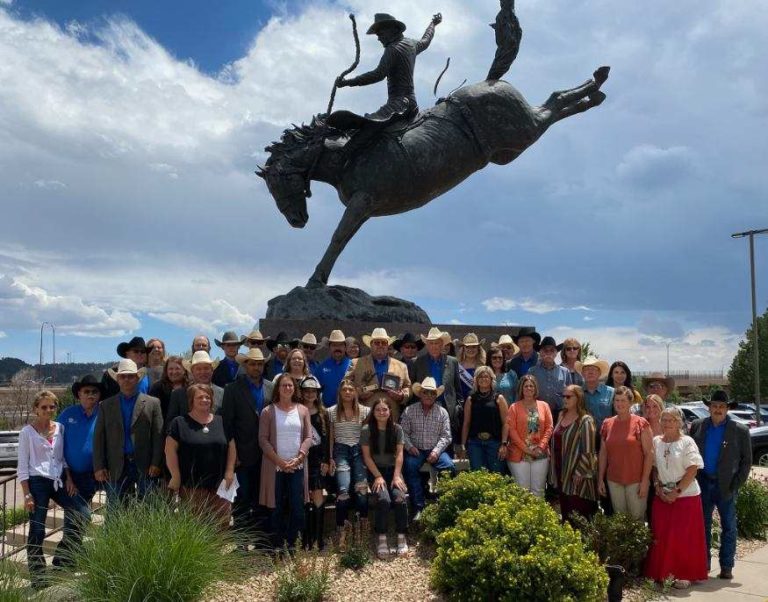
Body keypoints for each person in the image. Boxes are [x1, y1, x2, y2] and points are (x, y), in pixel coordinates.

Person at [334, 12, 442, 161]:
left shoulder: (392, 49)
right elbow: (426, 40)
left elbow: (378, 74)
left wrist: (348, 82)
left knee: (369, 124)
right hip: (410, 103)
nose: (378, 37)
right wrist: (433, 24)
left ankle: (341, 158)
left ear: (393, 30)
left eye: (380, 33)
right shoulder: (411, 44)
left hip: (399, 105)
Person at [690, 390, 752, 580]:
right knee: (703, 526)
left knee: (729, 526)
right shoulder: (697, 426)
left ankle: (726, 566)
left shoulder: (740, 430)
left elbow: (746, 461)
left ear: (727, 409)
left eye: (721, 406)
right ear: (709, 408)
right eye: (714, 406)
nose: (717, 409)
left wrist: (735, 484)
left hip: (726, 486)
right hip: (703, 483)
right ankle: (704, 564)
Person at [644, 407, 708, 589]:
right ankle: (661, 573)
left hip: (685, 496)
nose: (667, 423)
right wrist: (657, 486)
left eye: (672, 420)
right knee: (662, 535)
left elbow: (693, 468)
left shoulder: (687, 442)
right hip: (662, 496)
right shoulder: (656, 441)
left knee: (682, 537)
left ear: (679, 422)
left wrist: (676, 492)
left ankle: (683, 574)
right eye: (664, 419)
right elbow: (655, 467)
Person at [18, 391, 76, 581]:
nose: (48, 410)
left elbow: (63, 457)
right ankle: (38, 576)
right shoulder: (27, 432)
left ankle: (62, 558)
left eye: (52, 406)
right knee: (37, 529)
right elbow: (22, 466)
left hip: (58, 479)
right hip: (38, 482)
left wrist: (68, 478)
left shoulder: (60, 428)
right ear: (36, 409)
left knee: (78, 511)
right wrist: (27, 494)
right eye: (44, 407)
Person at [93, 359, 164, 505]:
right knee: (115, 510)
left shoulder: (153, 403)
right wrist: (99, 466)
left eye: (130, 376)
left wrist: (156, 462)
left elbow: (158, 435)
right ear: (117, 379)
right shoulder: (106, 405)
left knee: (149, 508)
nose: (126, 379)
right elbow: (99, 438)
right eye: (123, 376)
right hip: (116, 464)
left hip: (145, 464)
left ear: (137, 378)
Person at [221, 347, 274, 543]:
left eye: (260, 364)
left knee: (263, 497)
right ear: (245, 365)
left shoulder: (270, 387)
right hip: (243, 453)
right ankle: (242, 542)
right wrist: (233, 456)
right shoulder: (232, 389)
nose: (256, 367)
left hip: (267, 454)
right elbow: (228, 424)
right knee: (242, 499)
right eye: (253, 363)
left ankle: (260, 540)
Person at [166, 384, 236, 521]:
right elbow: (170, 450)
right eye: (200, 397)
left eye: (207, 397)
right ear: (191, 400)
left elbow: (232, 447)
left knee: (221, 524)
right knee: (195, 525)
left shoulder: (222, 421)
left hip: (220, 485)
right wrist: (175, 475)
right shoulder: (179, 423)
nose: (205, 400)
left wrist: (229, 471)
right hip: (191, 486)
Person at [259, 373, 313, 551]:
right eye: (284, 385)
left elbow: (308, 436)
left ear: (294, 388)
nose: (287, 388)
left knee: (297, 506)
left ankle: (293, 544)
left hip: (297, 466)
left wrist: (299, 457)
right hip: (275, 467)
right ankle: (277, 544)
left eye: (290, 385)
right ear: (278, 388)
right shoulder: (268, 411)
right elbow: (263, 440)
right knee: (276, 507)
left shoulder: (303, 410)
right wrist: (280, 462)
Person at [56, 376, 103, 566]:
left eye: (94, 392)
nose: (90, 395)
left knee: (73, 517)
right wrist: (67, 476)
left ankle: (66, 559)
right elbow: (56, 446)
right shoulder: (67, 414)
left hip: (95, 475)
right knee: (80, 514)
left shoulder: (105, 413)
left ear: (99, 395)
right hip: (69, 476)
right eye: (86, 392)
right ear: (79, 395)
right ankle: (64, 557)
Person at [361, 398, 409, 558]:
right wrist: (378, 476)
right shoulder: (367, 430)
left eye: (385, 410)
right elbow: (367, 457)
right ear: (373, 413)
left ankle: (401, 535)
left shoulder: (397, 429)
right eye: (378, 410)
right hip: (376, 472)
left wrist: (396, 476)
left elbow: (400, 454)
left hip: (394, 471)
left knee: (400, 499)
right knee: (384, 500)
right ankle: (381, 537)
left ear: (390, 412)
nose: (381, 412)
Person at [401, 377, 454, 520]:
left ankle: (443, 503)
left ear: (436, 395)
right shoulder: (409, 411)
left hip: (435, 449)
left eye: (432, 393)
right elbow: (402, 433)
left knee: (449, 467)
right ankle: (418, 507)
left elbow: (446, 436)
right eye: (426, 393)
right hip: (416, 450)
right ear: (420, 394)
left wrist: (436, 451)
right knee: (410, 466)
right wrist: (410, 446)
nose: (429, 396)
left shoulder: (442, 412)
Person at [597, 386, 653, 520]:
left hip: (636, 481)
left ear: (630, 402)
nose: (619, 404)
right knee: (620, 521)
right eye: (617, 400)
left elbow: (649, 454)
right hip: (614, 480)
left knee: (636, 520)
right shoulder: (607, 423)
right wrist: (600, 479)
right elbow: (603, 454)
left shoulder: (641, 423)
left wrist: (645, 481)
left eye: (623, 400)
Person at [549, 384, 597, 525]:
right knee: (565, 510)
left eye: (568, 396)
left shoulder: (585, 420)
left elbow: (589, 449)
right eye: (563, 396)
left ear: (578, 398)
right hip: (560, 468)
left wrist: (580, 471)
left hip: (577, 472)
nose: (565, 399)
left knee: (578, 511)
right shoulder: (561, 415)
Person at [329, 379, 371, 533]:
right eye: (344, 389)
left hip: (359, 450)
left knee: (361, 490)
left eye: (350, 389)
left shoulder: (365, 411)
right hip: (340, 450)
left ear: (355, 392)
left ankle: (362, 528)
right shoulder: (331, 411)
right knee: (343, 491)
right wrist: (330, 457)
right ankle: (342, 530)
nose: (347, 392)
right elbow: (331, 438)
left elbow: (367, 437)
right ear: (340, 392)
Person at [411, 327, 463, 449]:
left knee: (447, 445)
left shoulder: (452, 362)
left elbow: (457, 388)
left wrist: (457, 408)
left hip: (447, 409)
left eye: (437, 343)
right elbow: (413, 386)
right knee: (424, 445)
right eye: (431, 343)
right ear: (427, 345)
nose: (434, 346)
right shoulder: (417, 362)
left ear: (442, 344)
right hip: (423, 409)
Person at [346, 328, 411, 421]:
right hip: (365, 418)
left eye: (383, 343)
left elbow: (408, 387)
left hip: (391, 418)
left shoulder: (401, 366)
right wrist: (358, 393)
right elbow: (345, 386)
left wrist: (402, 395)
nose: (380, 345)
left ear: (387, 345)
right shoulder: (356, 363)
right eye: (377, 343)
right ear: (370, 345)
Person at [506, 374, 553, 497]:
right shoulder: (514, 407)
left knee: (538, 490)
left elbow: (549, 428)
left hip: (540, 453)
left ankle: (538, 516)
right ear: (521, 388)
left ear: (535, 388)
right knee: (523, 491)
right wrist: (527, 449)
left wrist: (540, 447)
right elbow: (512, 431)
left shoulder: (544, 406)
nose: (529, 388)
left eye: (531, 386)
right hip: (519, 454)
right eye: (526, 386)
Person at [298, 375, 331, 550]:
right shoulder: (296, 410)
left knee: (318, 497)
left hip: (318, 460)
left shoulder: (323, 413)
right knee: (304, 498)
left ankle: (319, 539)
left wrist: (327, 460)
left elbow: (326, 438)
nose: (310, 394)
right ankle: (305, 539)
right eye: (307, 391)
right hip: (301, 458)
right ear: (302, 392)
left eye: (314, 391)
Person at [459, 366, 508, 473]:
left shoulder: (499, 398)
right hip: (475, 443)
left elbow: (506, 423)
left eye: (486, 376)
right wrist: (463, 445)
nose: (483, 379)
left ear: (491, 379)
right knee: (477, 476)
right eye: (480, 377)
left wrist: (504, 444)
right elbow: (466, 423)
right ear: (476, 380)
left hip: (494, 442)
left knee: (497, 476)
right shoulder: (471, 399)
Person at [166, 351, 224, 430]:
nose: (203, 372)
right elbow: (171, 425)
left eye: (206, 368)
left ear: (212, 370)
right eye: (198, 369)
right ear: (192, 372)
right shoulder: (178, 395)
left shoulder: (223, 393)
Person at [528, 336, 572, 416]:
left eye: (552, 350)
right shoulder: (532, 371)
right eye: (545, 350)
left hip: (560, 413)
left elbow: (571, 395)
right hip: (535, 411)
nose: (548, 353)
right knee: (532, 429)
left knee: (558, 429)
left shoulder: (565, 372)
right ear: (540, 352)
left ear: (556, 353)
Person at [148, 355, 189, 426]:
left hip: (186, 429)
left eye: (177, 368)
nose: (174, 372)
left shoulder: (190, 388)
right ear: (166, 371)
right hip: (163, 429)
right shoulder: (158, 387)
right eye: (170, 369)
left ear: (184, 370)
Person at [317, 330, 352, 408]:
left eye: (340, 345)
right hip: (327, 411)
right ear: (329, 347)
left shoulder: (353, 365)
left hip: (349, 411)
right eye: (334, 345)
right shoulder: (322, 367)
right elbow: (316, 390)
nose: (337, 348)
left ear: (345, 347)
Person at [581, 358, 614, 432]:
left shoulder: (611, 392)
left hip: (606, 436)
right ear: (582, 373)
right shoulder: (577, 393)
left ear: (599, 373)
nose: (590, 372)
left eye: (594, 369)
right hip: (584, 437)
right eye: (587, 369)